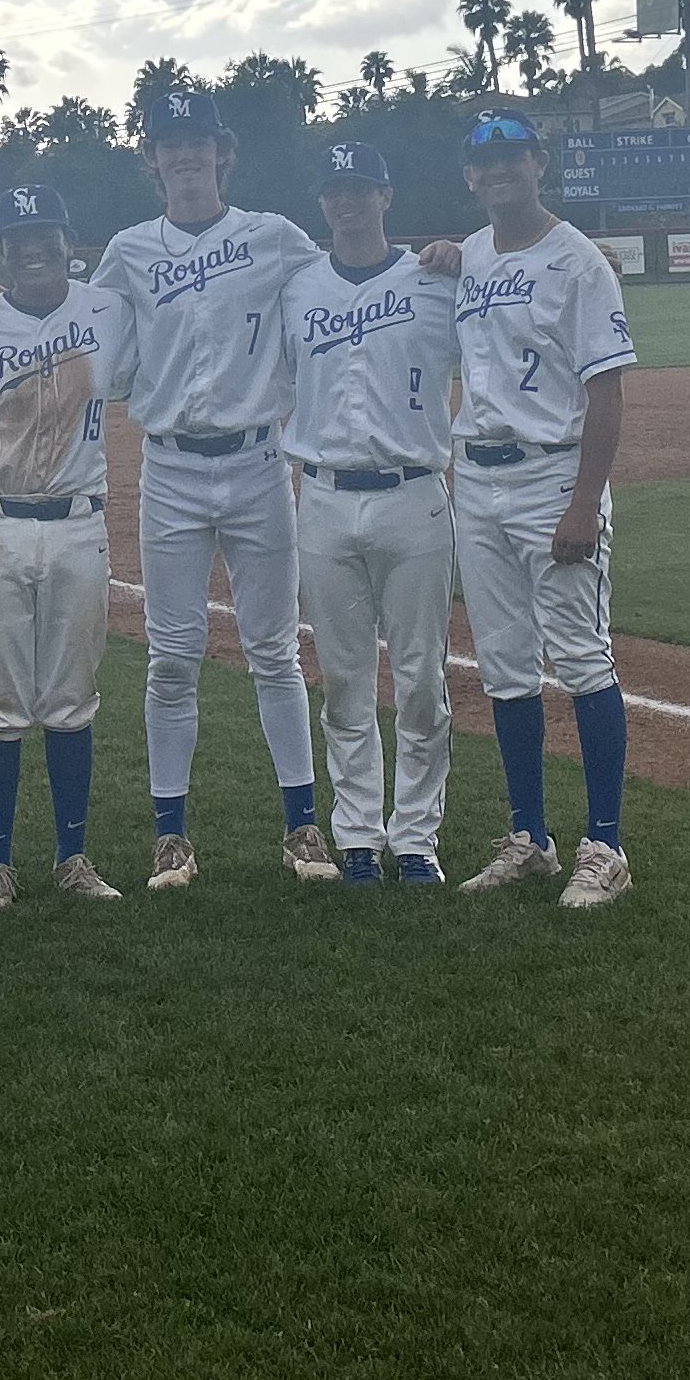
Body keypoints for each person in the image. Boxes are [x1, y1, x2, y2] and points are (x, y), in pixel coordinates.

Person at [88, 88, 330, 891]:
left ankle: (302, 828)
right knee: (171, 657)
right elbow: (78, 332)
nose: (185, 154)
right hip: (173, 471)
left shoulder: (272, 236)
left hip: (261, 465)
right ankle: (171, 839)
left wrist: (453, 258)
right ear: (152, 158)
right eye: (170, 143)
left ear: (222, 152)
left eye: (198, 141)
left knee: (275, 652)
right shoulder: (127, 249)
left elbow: (356, 279)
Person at [446, 112, 637, 908]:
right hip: (477, 481)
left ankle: (607, 847)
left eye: (512, 158)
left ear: (539, 164)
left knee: (583, 660)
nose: (499, 172)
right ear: (470, 177)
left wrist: (584, 504)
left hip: (552, 479)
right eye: (484, 162)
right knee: (506, 666)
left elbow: (607, 392)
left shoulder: (579, 262)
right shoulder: (471, 256)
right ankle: (530, 838)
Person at [0, 184, 138, 913]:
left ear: (67, 242)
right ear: (6, 252)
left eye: (45, 235)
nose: (34, 248)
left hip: (79, 521)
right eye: (20, 239)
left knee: (72, 697)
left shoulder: (107, 309)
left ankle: (73, 856)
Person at [279, 142, 458, 888]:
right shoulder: (297, 287)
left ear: (386, 196)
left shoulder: (437, 277)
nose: (346, 202)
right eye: (334, 191)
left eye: (360, 189)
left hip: (414, 495)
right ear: (322, 202)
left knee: (420, 679)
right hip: (320, 497)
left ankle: (415, 836)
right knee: (346, 678)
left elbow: (529, 284)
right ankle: (357, 835)